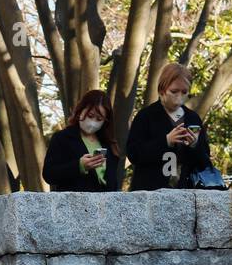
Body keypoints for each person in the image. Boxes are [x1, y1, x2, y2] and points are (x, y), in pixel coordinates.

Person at [126, 63, 213, 191]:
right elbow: (134, 153)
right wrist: (166, 141)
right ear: (162, 90)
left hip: (186, 192)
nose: (179, 96)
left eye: (184, 92)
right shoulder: (146, 116)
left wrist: (195, 145)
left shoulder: (192, 118)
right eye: (174, 91)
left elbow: (204, 160)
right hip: (151, 191)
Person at [41, 89, 121, 192]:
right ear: (80, 111)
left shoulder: (108, 144)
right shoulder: (62, 138)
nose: (93, 123)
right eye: (90, 116)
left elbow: (112, 181)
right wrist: (79, 166)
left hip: (104, 204)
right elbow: (49, 174)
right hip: (72, 202)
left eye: (99, 119)